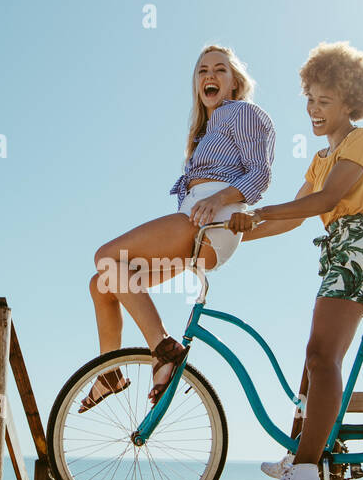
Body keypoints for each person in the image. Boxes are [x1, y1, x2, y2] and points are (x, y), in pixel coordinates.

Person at [227, 41, 363, 480]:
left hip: (360, 250)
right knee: (313, 364)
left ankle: (305, 475)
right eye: (310, 99)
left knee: (322, 358)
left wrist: (257, 210)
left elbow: (324, 202)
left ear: (350, 102)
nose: (314, 109)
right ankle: (299, 459)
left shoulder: (360, 141)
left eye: (325, 101)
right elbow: (291, 219)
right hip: (340, 254)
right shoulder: (320, 160)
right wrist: (230, 240)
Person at [82, 44, 275, 411]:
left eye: (220, 70)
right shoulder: (205, 131)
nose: (209, 76)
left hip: (209, 223)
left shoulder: (243, 113)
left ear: (235, 84)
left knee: (105, 256)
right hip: (196, 225)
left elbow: (260, 173)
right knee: (103, 282)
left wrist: (217, 202)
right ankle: (109, 373)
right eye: (203, 71)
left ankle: (165, 350)